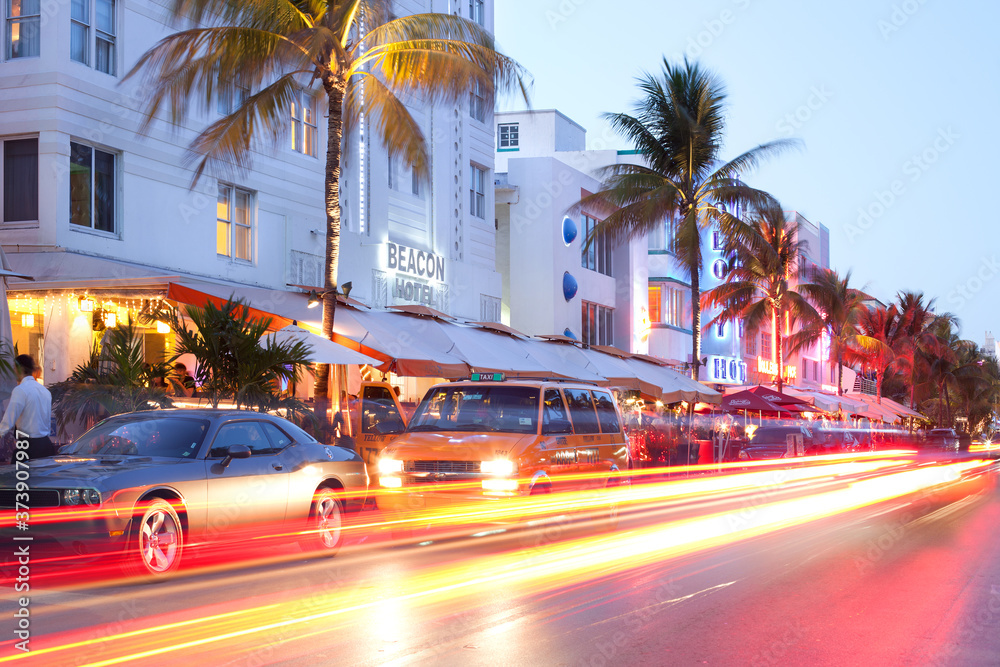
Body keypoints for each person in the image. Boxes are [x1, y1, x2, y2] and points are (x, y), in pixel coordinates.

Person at [0, 355, 56, 462]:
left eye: (14, 367)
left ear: (20, 368)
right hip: (46, 446)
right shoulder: (45, 391)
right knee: (43, 479)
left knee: (18, 478)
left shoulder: (20, 390)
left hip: (27, 447)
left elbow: (9, 420)